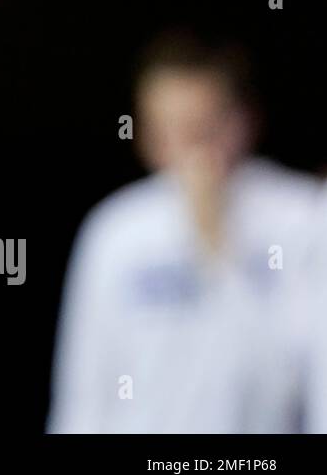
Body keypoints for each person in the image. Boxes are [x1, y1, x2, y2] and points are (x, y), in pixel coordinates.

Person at [48, 29, 321, 432]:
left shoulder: (304, 216)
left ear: (244, 121)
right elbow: (85, 395)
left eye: (205, 127)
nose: (190, 147)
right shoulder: (115, 231)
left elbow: (299, 376)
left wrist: (218, 250)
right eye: (170, 129)